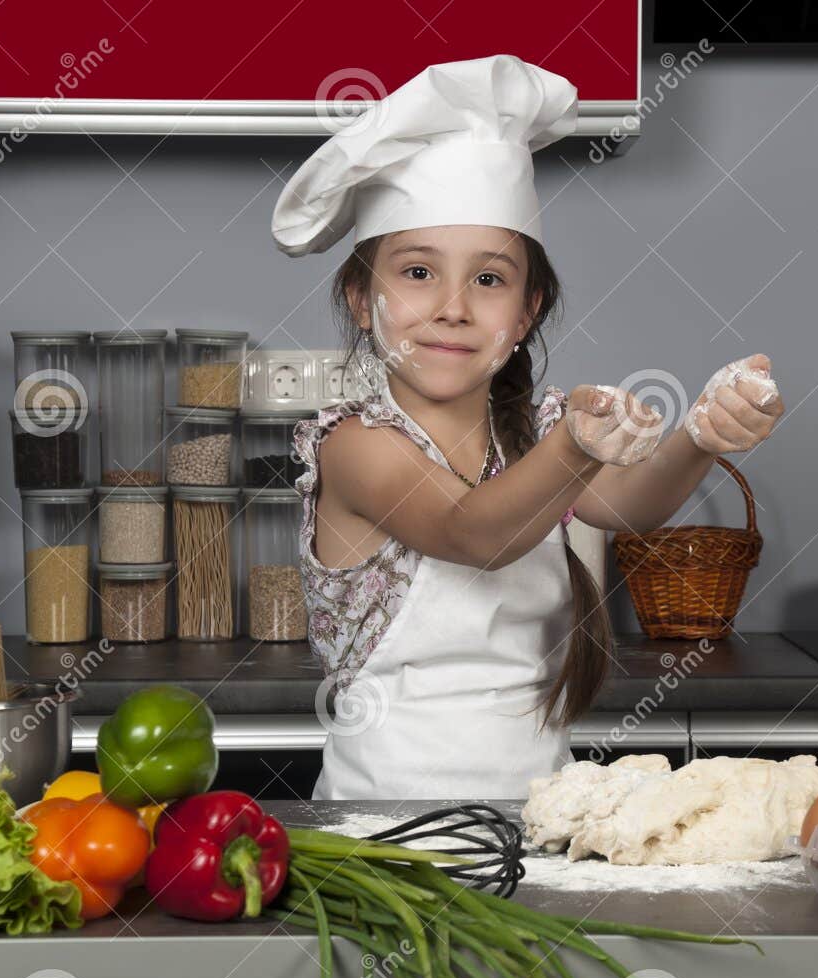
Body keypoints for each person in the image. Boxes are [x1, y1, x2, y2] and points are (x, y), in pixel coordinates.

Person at [274, 56, 784, 800]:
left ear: (526, 309)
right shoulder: (354, 445)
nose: (453, 306)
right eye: (417, 273)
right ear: (361, 297)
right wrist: (575, 448)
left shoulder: (532, 433)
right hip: (387, 833)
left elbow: (632, 504)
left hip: (543, 815)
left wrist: (700, 434)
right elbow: (472, 533)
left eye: (488, 279)